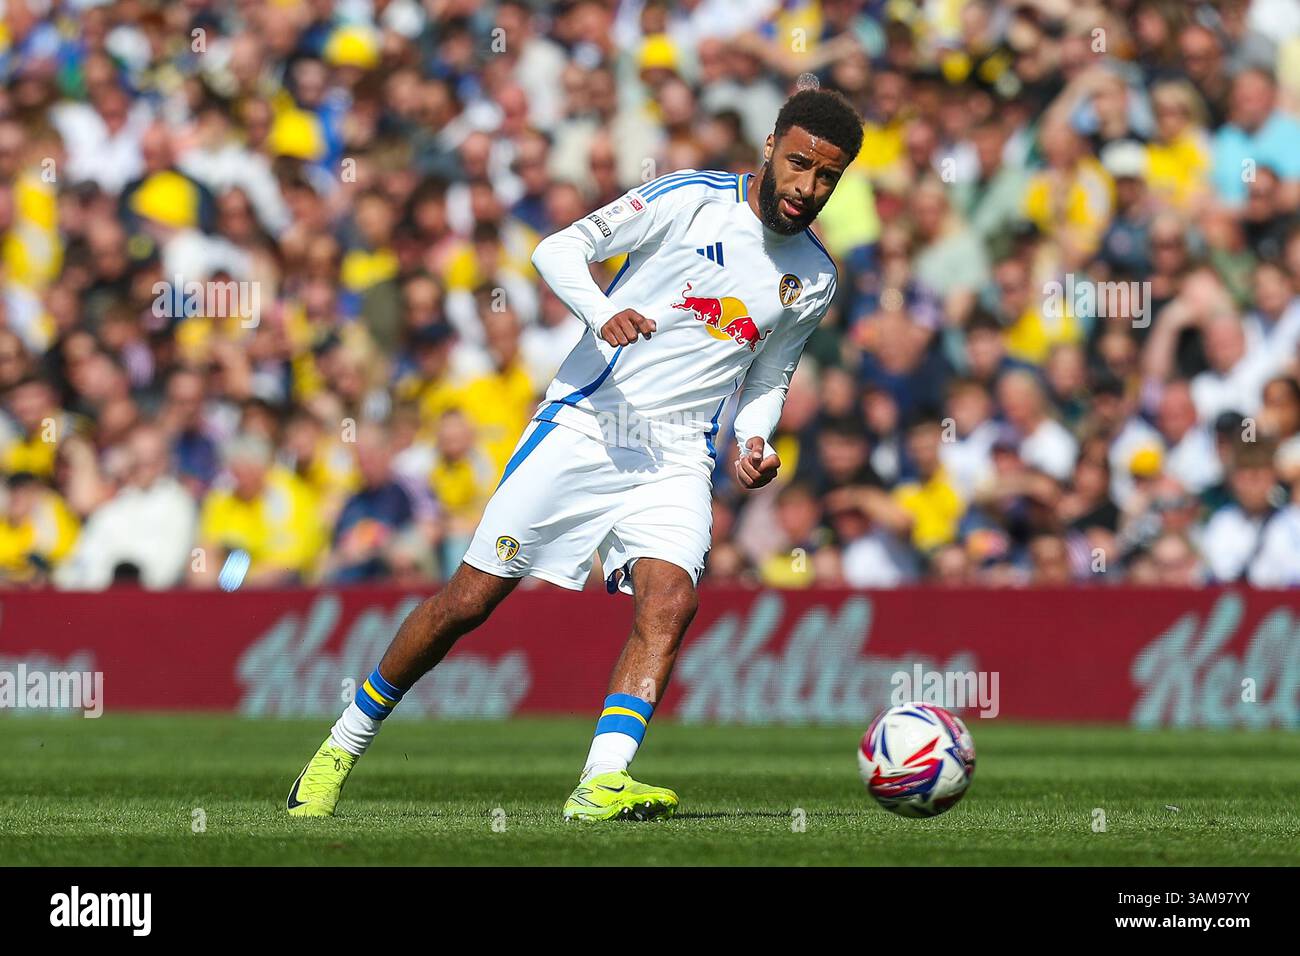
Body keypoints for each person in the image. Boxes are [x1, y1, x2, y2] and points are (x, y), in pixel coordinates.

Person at [286, 89, 862, 821]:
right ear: (772, 145)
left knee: (672, 600)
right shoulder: (689, 198)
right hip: (589, 422)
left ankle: (602, 780)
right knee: (468, 602)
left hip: (678, 452)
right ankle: (343, 741)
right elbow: (554, 249)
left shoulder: (812, 276)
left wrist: (754, 439)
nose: (807, 188)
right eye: (799, 164)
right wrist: (602, 311)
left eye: (827, 178)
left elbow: (769, 375)